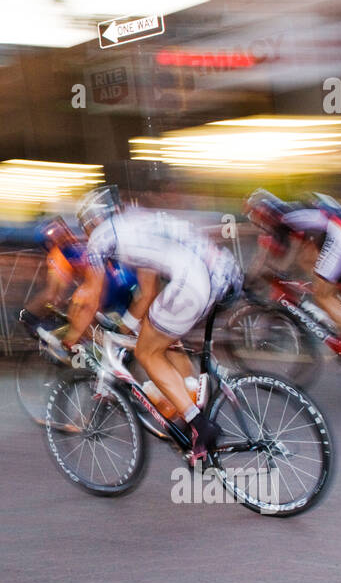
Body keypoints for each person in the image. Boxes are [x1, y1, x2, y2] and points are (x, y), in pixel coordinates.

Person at [62, 185, 242, 465]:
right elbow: (147, 293)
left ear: (91, 220)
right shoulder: (136, 222)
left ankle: (198, 425)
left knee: (147, 352)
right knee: (162, 335)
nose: (87, 233)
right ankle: (190, 402)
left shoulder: (101, 236)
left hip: (194, 280)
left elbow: (92, 298)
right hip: (220, 272)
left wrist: (72, 336)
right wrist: (124, 328)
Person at [243, 188, 341, 362]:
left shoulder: (280, 217)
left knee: (322, 296)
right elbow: (297, 253)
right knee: (307, 260)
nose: (254, 220)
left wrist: (250, 282)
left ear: (261, 210)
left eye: (253, 215)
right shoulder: (292, 209)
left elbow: (276, 259)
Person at [18, 215, 137, 342]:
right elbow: (55, 294)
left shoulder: (62, 253)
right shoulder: (76, 243)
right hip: (124, 280)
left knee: (80, 318)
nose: (62, 233)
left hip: (108, 286)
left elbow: (53, 295)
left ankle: (110, 346)